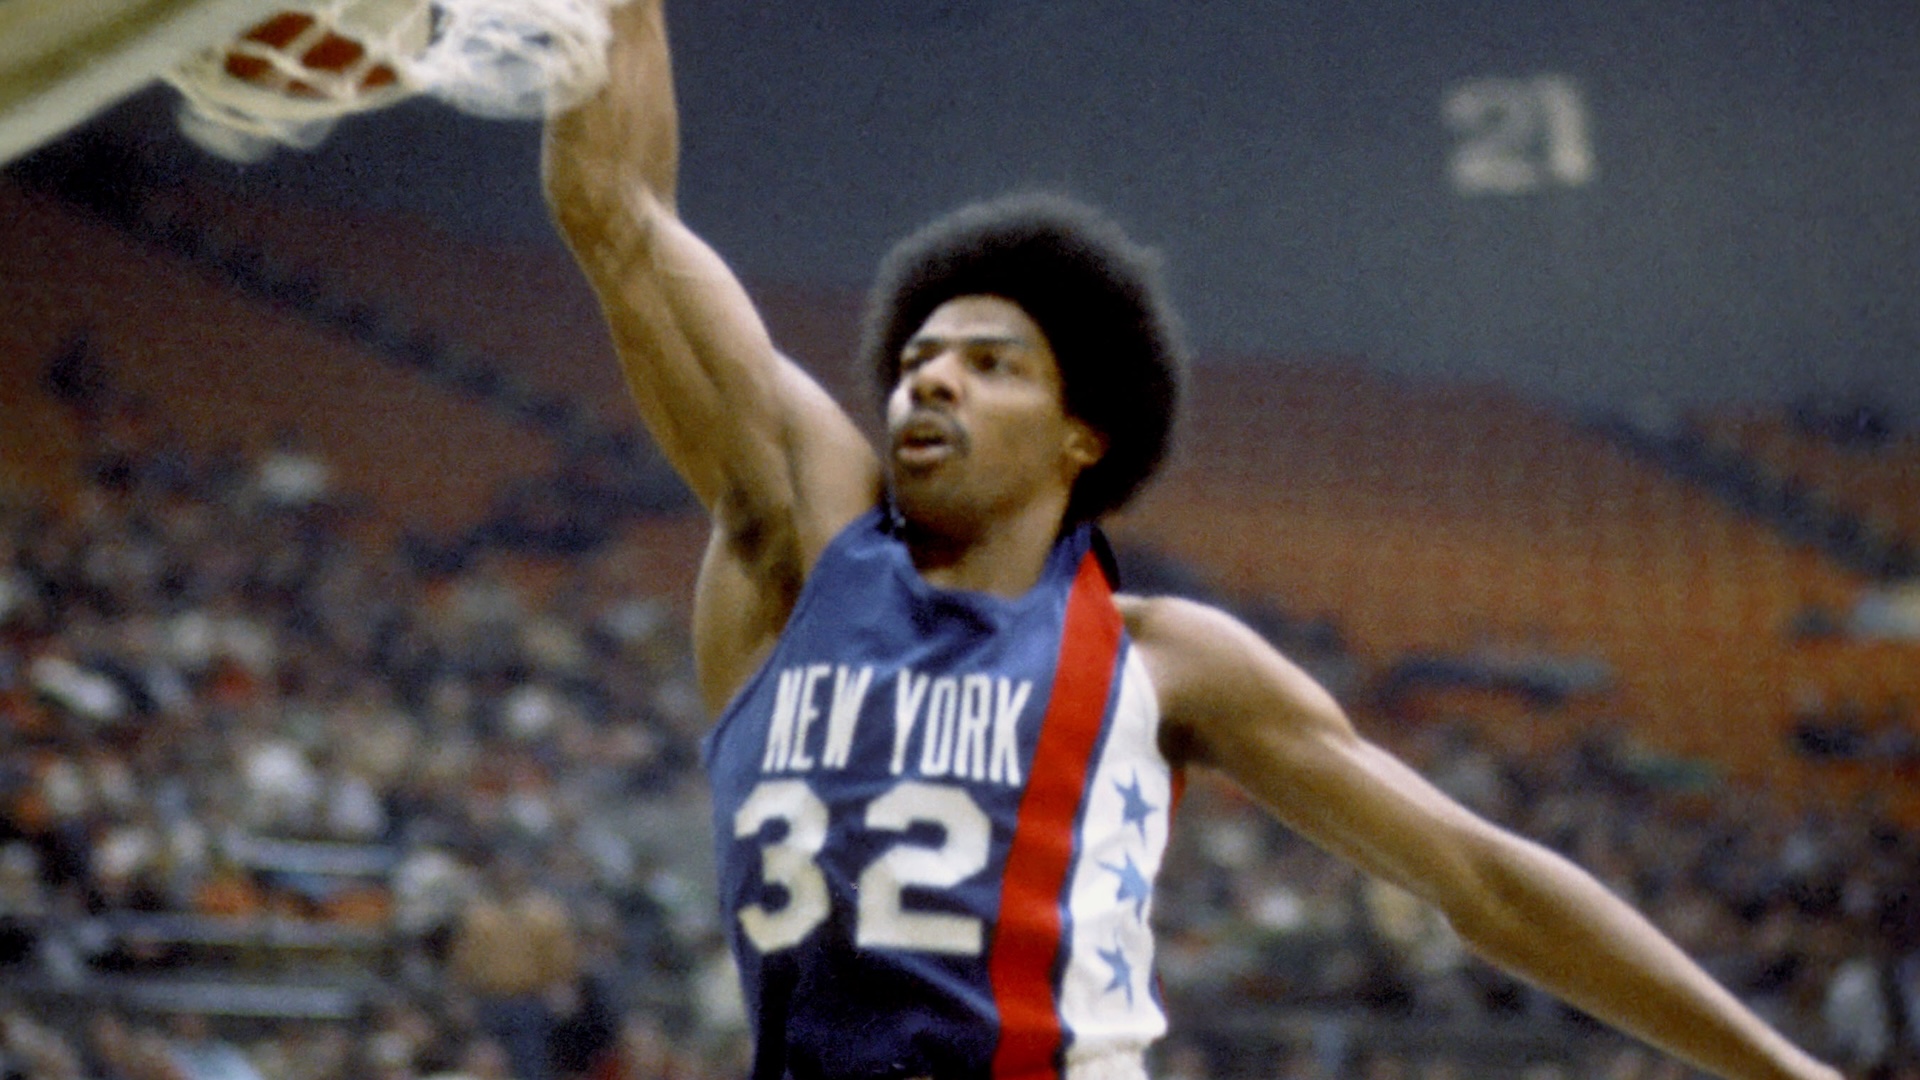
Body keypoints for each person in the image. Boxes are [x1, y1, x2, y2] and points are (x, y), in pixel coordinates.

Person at [540, 4, 1845, 1079]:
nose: (930, 378)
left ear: (1081, 435)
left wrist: (1786, 1071)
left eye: (991, 363)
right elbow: (619, 213)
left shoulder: (1165, 660)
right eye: (921, 357)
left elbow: (1481, 882)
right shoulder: (799, 551)